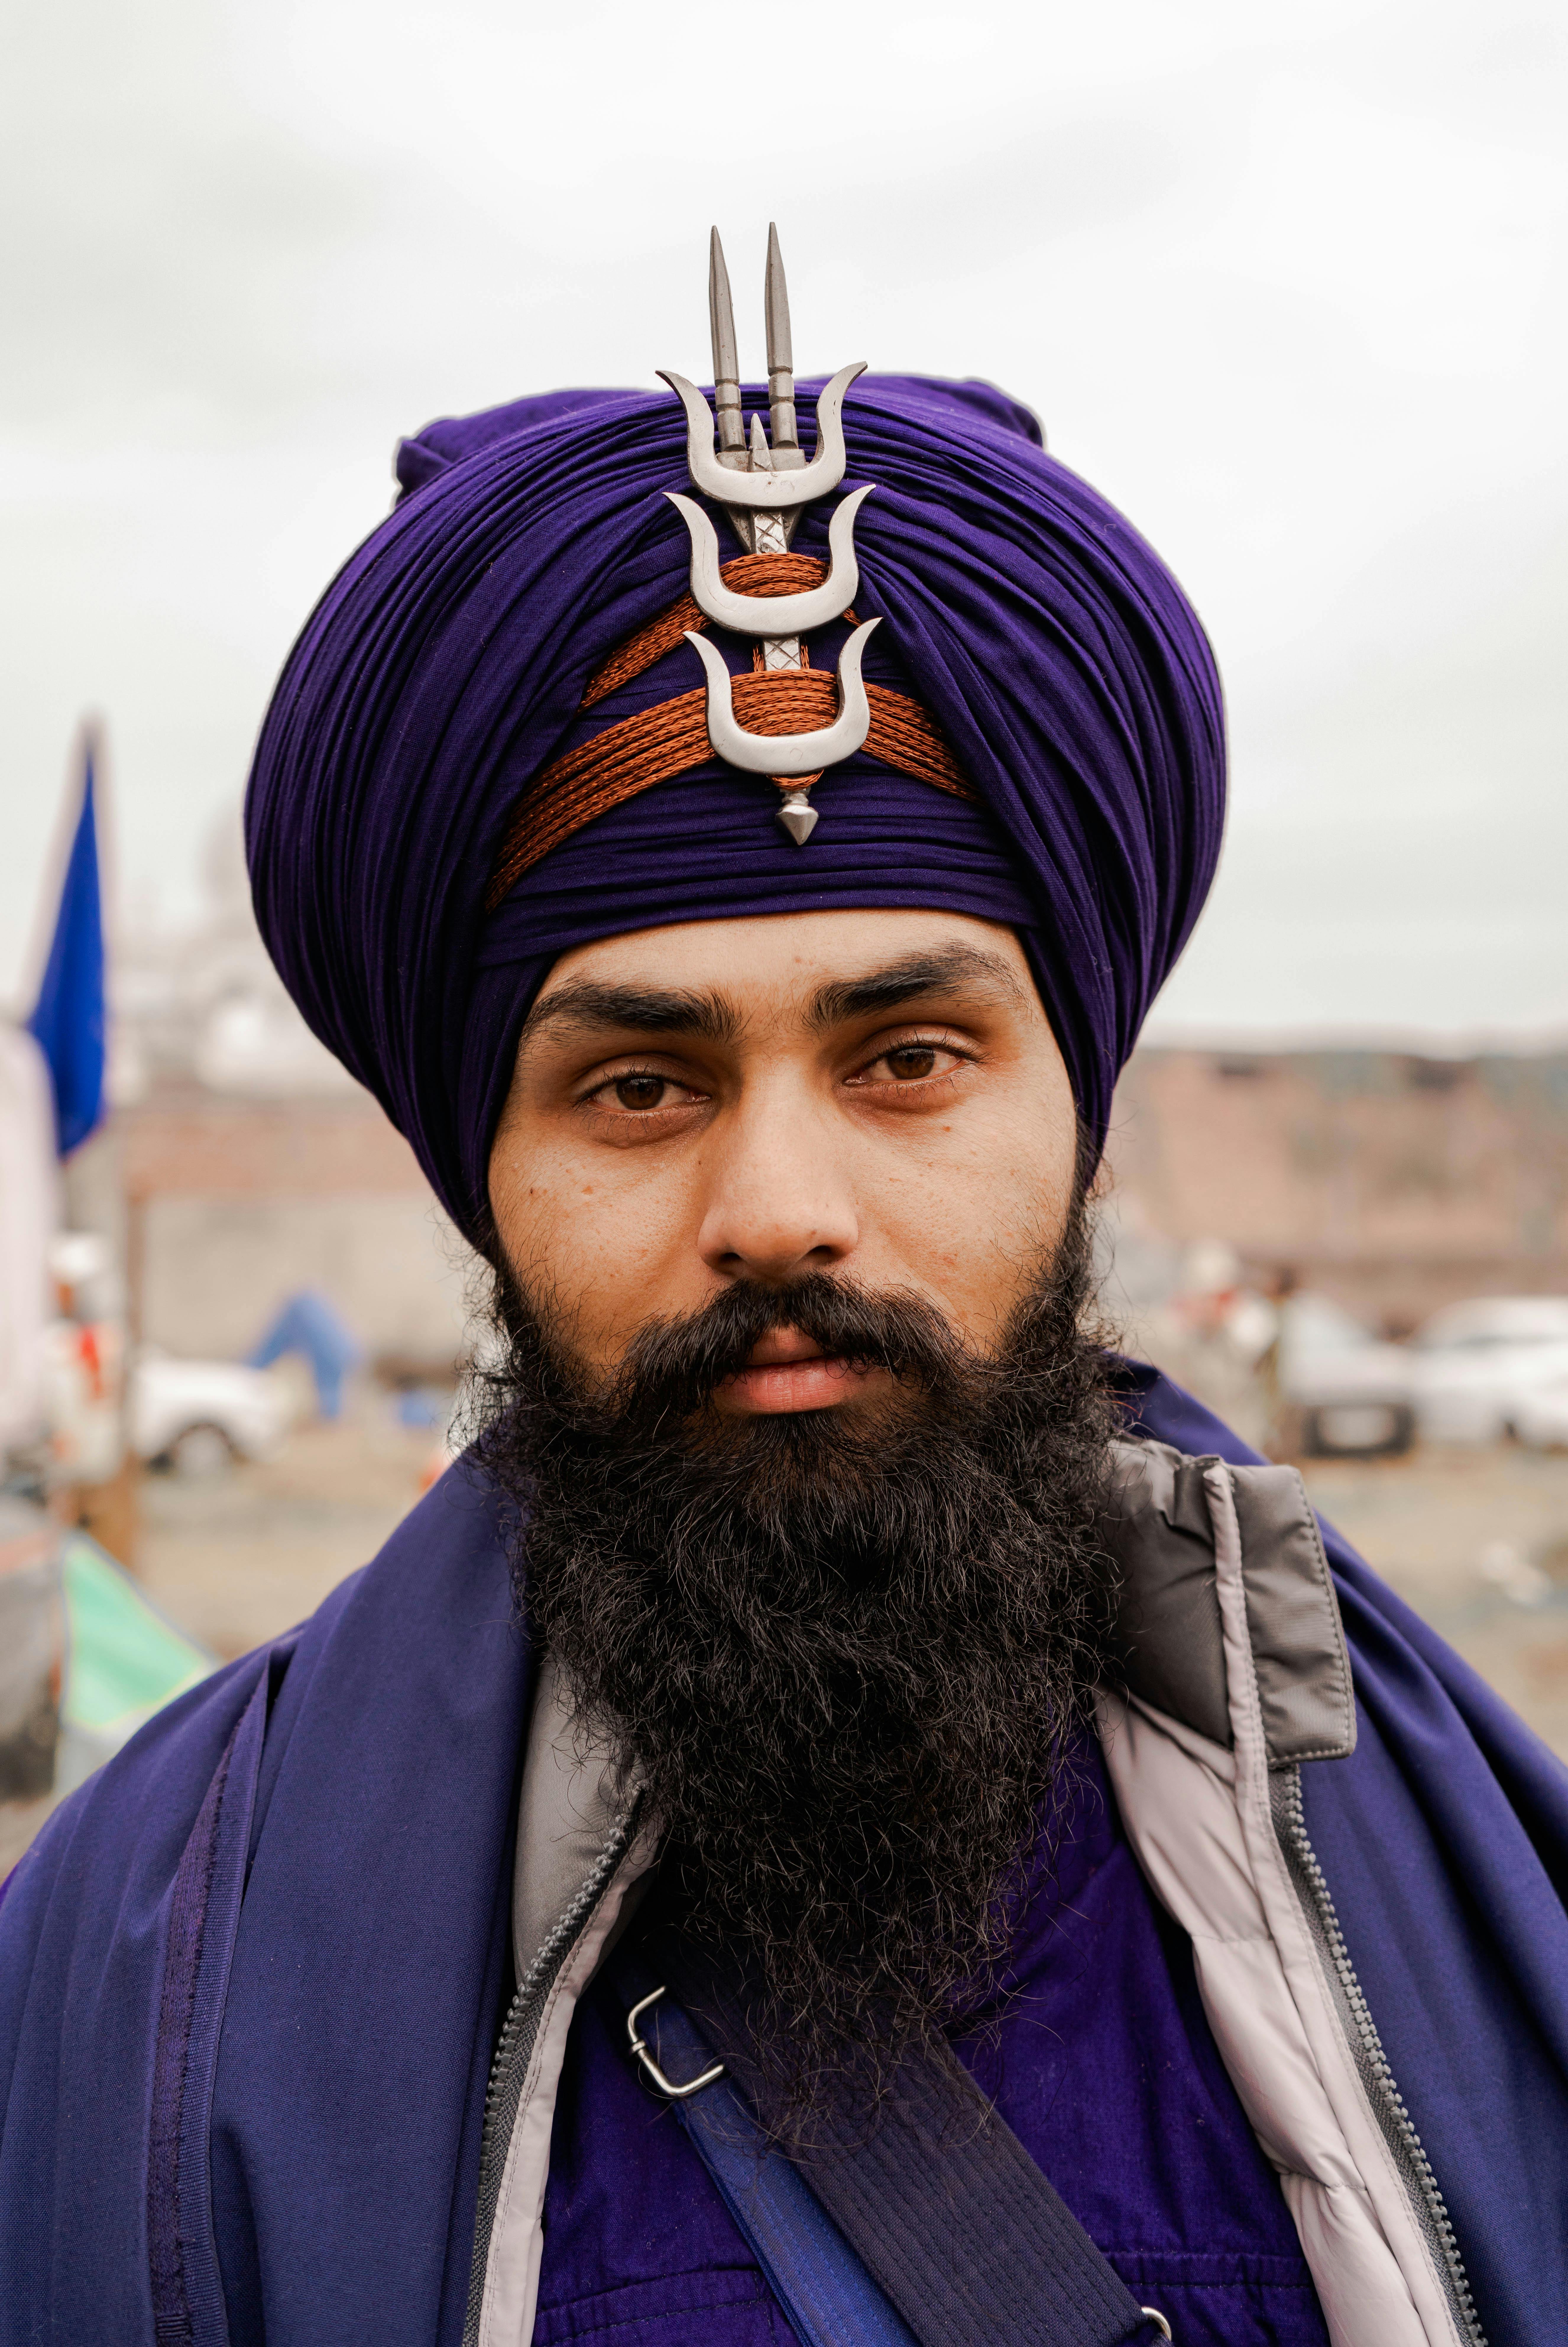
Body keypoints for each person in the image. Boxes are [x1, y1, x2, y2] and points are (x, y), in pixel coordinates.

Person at [3, 229, 1566, 2347]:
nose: (781, 1211)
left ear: (1079, 1114)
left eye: (907, 1056)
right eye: (637, 1083)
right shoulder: (126, 1973)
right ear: (482, 1164)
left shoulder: (1474, 1870)